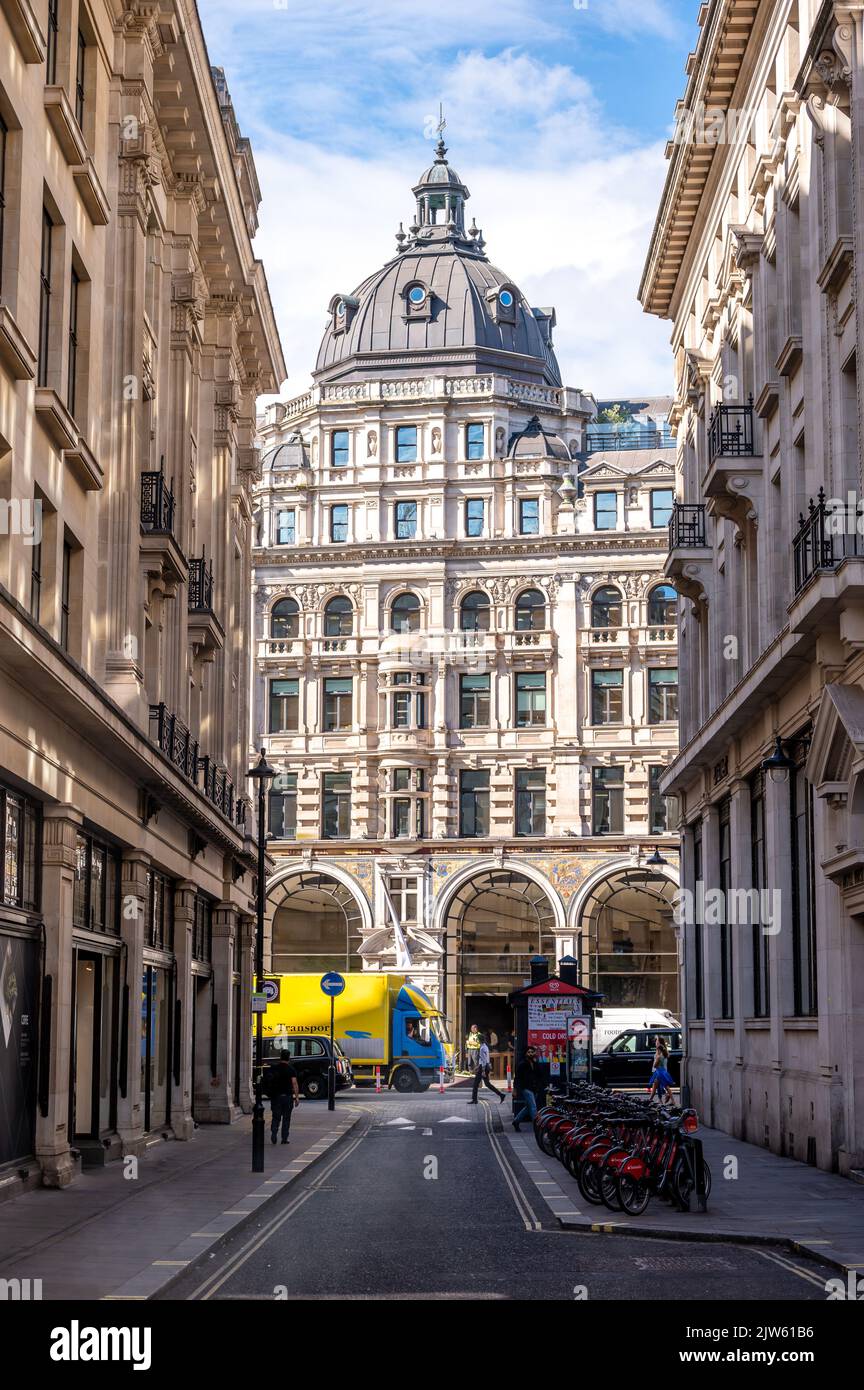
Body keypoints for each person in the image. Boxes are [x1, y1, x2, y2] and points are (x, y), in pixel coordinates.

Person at [265, 1049, 301, 1144]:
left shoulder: (274, 1068)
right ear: (288, 1058)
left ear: (280, 1057)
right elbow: (294, 1083)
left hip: (276, 1096)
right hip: (287, 1097)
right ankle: (284, 1138)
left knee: (276, 1116)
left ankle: (274, 1132)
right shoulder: (291, 1069)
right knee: (286, 1118)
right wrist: (296, 1097)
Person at [512, 1046, 542, 1131]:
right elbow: (517, 1077)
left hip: (534, 1088)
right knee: (533, 1107)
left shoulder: (535, 1063)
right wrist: (515, 1089)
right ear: (525, 1053)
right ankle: (537, 1126)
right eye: (529, 1052)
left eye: (532, 1052)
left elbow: (539, 1075)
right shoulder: (522, 1064)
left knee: (528, 1107)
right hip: (525, 1088)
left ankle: (516, 1121)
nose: (530, 1054)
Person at [468, 1035, 505, 1104]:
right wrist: (478, 1066)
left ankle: (474, 1100)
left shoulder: (482, 1048)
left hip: (483, 1068)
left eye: (477, 1039)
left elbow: (484, 1060)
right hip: (484, 1067)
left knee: (476, 1084)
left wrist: (482, 1070)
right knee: (487, 1084)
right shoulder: (485, 1047)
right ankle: (501, 1095)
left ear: (479, 1040)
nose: (476, 1041)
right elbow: (483, 1059)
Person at [648, 1035, 675, 1106]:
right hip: (661, 1071)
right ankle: (661, 1100)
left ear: (660, 1043)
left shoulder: (660, 1053)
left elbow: (656, 1063)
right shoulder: (663, 1051)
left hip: (658, 1071)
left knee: (658, 1087)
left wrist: (656, 1061)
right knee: (659, 1087)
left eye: (657, 1041)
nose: (655, 1042)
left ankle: (650, 1100)